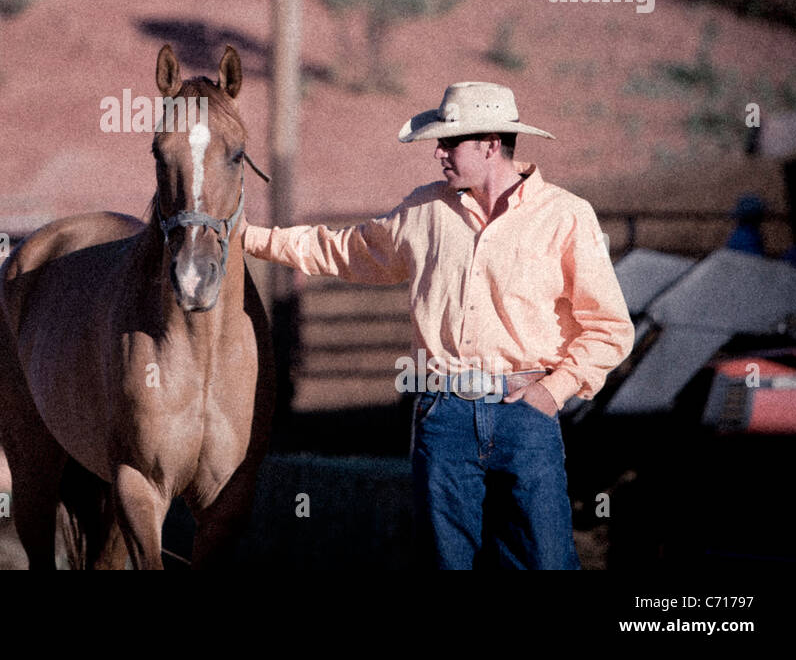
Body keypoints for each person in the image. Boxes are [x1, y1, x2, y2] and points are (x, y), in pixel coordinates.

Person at [239, 81, 635, 569]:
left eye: (449, 142)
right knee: (447, 564)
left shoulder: (566, 216)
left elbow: (610, 327)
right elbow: (341, 250)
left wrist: (554, 392)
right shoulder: (424, 210)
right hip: (442, 416)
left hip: (527, 414)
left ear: (490, 145)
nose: (438, 154)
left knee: (545, 562)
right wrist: (246, 237)